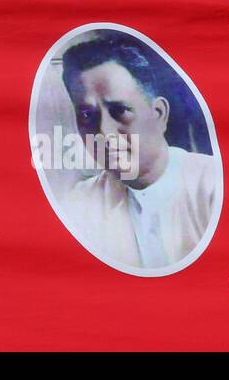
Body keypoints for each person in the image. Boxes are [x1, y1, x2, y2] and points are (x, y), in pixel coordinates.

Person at [58, 33, 220, 270]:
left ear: (159, 114)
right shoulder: (80, 204)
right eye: (86, 116)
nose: (104, 132)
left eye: (120, 110)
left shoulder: (214, 185)